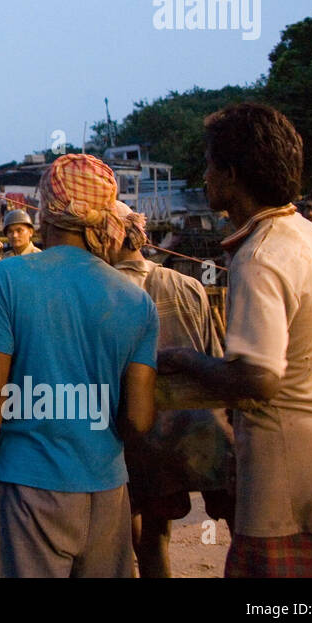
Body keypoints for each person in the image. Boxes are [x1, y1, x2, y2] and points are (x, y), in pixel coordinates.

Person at [164, 103, 312, 577]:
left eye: (211, 164)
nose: (206, 176)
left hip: (287, 460)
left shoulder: (260, 254)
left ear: (232, 174)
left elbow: (258, 377)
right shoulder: (310, 236)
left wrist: (183, 358)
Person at [0, 154, 157, 578]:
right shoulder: (137, 300)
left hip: (25, 490)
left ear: (45, 210)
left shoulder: (8, 278)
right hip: (106, 492)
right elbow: (138, 418)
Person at [109, 201, 234, 578]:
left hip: (146, 437)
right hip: (205, 430)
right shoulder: (188, 284)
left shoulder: (107, 293)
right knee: (236, 525)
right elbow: (214, 355)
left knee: (153, 534)